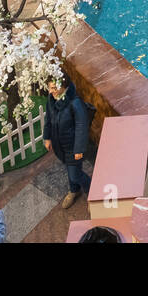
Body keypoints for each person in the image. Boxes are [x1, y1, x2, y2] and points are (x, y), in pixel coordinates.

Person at [44, 76, 92, 208]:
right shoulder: (51, 100)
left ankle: (91, 192)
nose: (51, 91)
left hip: (73, 146)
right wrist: (47, 137)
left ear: (63, 86)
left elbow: (81, 126)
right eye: (50, 88)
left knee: (75, 174)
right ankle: (74, 190)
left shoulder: (75, 103)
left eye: (54, 88)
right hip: (60, 145)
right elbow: (48, 119)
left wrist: (79, 149)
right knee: (70, 170)